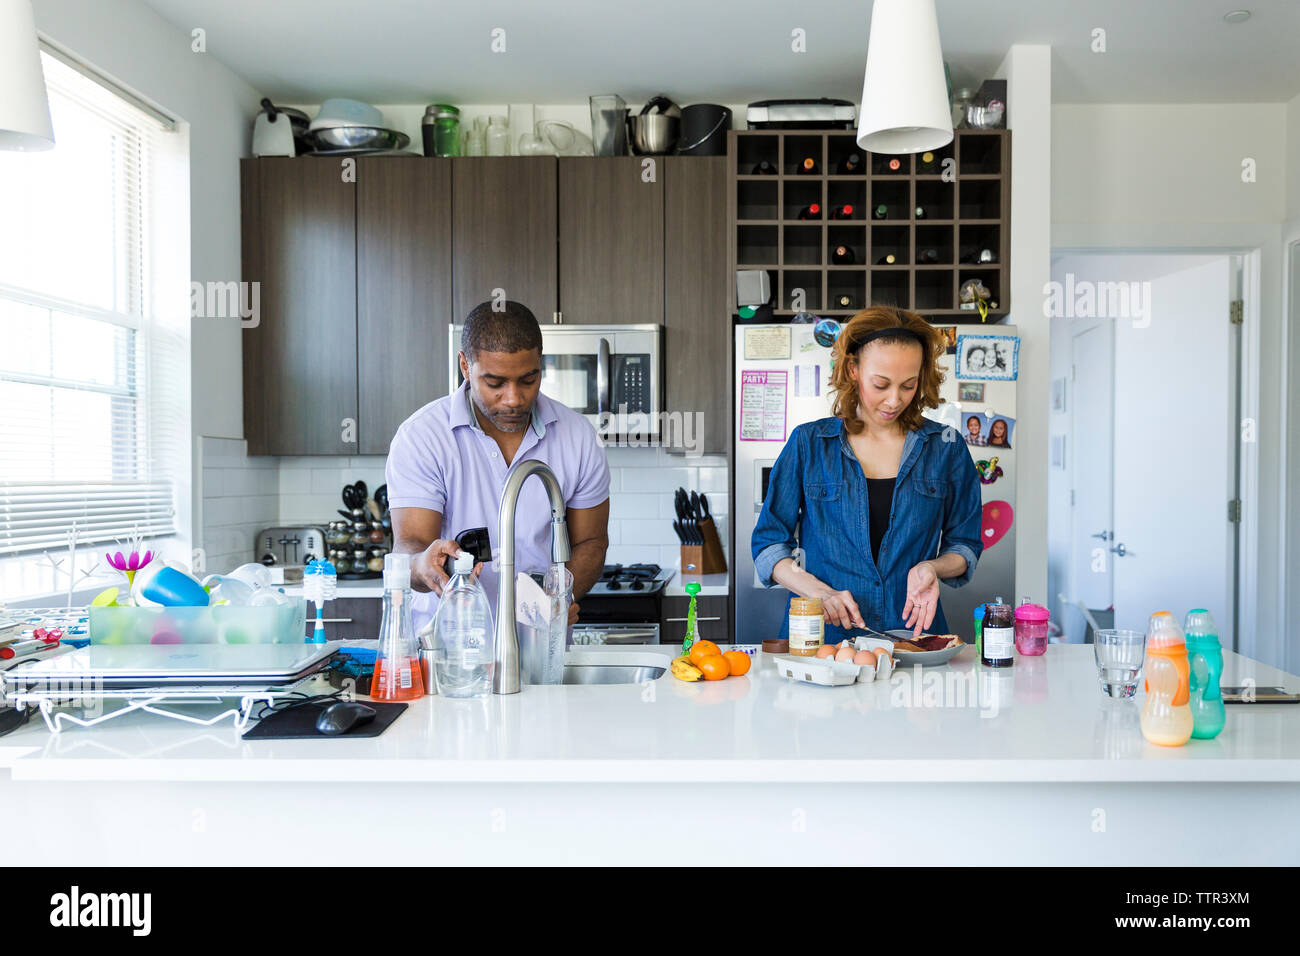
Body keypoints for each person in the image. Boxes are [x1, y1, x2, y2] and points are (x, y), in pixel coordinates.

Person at [751, 307, 984, 643]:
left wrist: (932, 568)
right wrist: (818, 591)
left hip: (913, 640)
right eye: (881, 384)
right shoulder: (809, 444)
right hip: (824, 641)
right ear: (853, 370)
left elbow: (965, 545)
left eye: (908, 385)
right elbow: (768, 544)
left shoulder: (946, 448)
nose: (895, 400)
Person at [385, 300, 610, 637]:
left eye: (528, 379)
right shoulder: (422, 437)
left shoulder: (578, 437)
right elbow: (410, 545)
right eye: (495, 383)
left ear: (540, 364)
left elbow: (591, 541)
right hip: (447, 649)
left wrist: (561, 595)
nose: (514, 399)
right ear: (465, 365)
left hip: (540, 649)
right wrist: (423, 564)